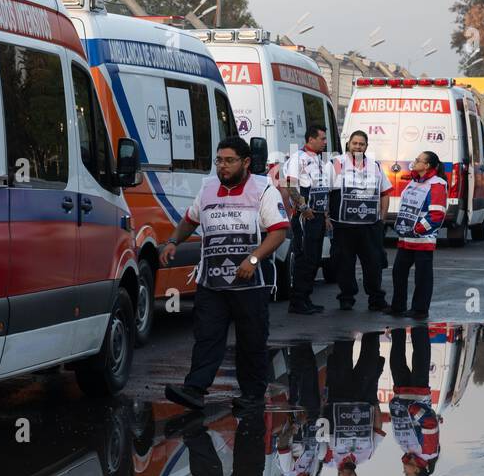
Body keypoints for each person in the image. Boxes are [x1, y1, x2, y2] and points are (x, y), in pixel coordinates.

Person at [161, 137, 289, 413]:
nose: (223, 166)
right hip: (212, 281)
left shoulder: (264, 188)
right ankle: (194, 389)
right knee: (207, 336)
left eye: (229, 160)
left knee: (251, 339)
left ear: (245, 162)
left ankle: (252, 395)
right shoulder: (207, 189)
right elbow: (190, 220)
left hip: (250, 283)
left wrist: (253, 258)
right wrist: (173, 241)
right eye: (219, 160)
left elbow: (278, 232)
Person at [330, 130, 389, 311]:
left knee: (374, 264)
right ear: (348, 144)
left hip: (370, 227)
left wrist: (383, 218)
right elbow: (325, 190)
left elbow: (385, 192)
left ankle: (376, 299)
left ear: (366, 146)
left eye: (361, 144)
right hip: (343, 226)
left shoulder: (374, 165)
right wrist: (326, 216)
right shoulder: (337, 163)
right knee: (344, 264)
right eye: (355, 143)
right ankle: (346, 298)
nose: (358, 146)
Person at [387, 151, 447, 321]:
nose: (414, 162)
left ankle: (420, 310)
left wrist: (418, 229)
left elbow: (437, 215)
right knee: (398, 272)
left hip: (423, 240)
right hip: (406, 238)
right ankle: (398, 306)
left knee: (422, 277)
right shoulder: (413, 181)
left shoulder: (437, 184)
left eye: (418, 160)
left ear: (427, 165)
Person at [323, 333, 385, 476]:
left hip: (338, 397)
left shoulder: (328, 459)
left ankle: (345, 316)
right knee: (370, 355)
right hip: (363, 397)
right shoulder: (367, 455)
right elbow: (378, 429)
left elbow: (320, 429)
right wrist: (375, 402)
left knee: (342, 348)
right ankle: (373, 321)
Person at [284, 125, 332, 314]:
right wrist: (303, 208)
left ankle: (306, 297)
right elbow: (290, 184)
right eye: (322, 138)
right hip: (305, 216)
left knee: (314, 258)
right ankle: (297, 301)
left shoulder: (319, 159)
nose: (325, 142)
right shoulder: (298, 158)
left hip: (318, 215)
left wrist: (325, 215)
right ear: (311, 139)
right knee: (304, 258)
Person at [388, 325, 441, 476]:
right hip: (418, 392)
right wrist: (410, 407)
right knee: (420, 353)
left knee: (396, 355)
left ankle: (397, 317)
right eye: (407, 474)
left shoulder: (407, 450)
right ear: (417, 470)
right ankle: (419, 320)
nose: (404, 471)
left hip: (401, 391)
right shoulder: (429, 452)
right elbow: (430, 422)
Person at [277, 343, 322, 476]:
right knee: (311, 374)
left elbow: (282, 443)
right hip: (313, 417)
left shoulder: (289, 470)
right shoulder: (310, 469)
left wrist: (296, 424)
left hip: (298, 414)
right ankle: (306, 345)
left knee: (300, 377)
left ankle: (297, 345)